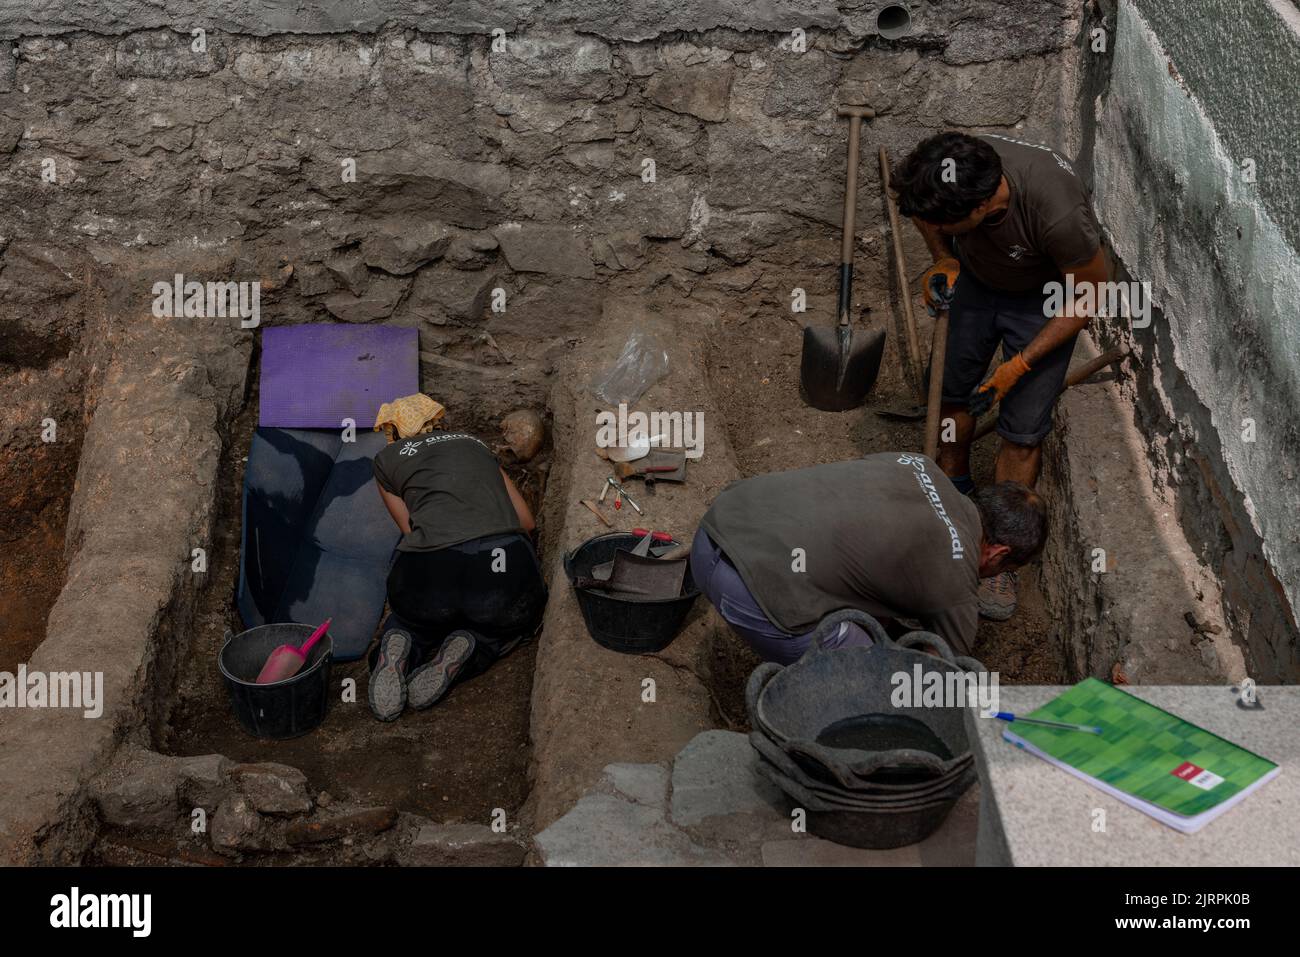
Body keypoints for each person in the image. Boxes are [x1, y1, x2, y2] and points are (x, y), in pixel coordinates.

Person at [892, 131, 1107, 621]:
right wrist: (944, 258)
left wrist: (1019, 365)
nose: (933, 224)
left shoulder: (1057, 212)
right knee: (949, 393)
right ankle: (954, 493)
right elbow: (924, 214)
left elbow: (1090, 295)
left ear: (983, 205)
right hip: (973, 282)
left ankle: (999, 548)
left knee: (1022, 430)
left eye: (948, 223)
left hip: (1047, 299)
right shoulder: (949, 172)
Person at [690, 452, 1046, 664]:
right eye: (1004, 570)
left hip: (713, 531)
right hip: (748, 595)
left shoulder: (919, 464)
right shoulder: (958, 584)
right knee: (879, 682)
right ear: (999, 552)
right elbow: (933, 678)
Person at [366, 394, 546, 722]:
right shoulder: (475, 445)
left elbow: (411, 530)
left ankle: (402, 640)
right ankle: (473, 646)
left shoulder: (386, 459)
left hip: (431, 574)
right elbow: (527, 522)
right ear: (437, 421)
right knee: (506, 624)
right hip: (500, 571)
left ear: (392, 430)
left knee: (415, 617)